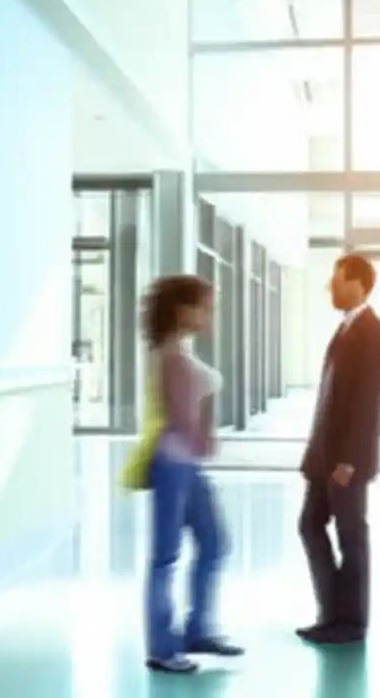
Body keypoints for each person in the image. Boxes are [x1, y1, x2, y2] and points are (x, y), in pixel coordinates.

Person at [141, 275, 243, 674]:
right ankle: (161, 649)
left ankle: (198, 628)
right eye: (204, 306)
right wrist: (204, 438)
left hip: (187, 466)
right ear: (183, 310)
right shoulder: (171, 355)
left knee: (215, 542)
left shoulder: (177, 350)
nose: (208, 315)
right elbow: (183, 417)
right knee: (165, 558)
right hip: (173, 466)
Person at [298, 255, 380, 645]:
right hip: (325, 458)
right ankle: (333, 613)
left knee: (351, 537)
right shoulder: (344, 331)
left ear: (358, 284)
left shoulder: (376, 334)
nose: (330, 289)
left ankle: (350, 623)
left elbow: (367, 404)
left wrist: (349, 461)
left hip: (345, 462)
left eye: (336, 282)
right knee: (310, 525)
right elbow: (330, 399)